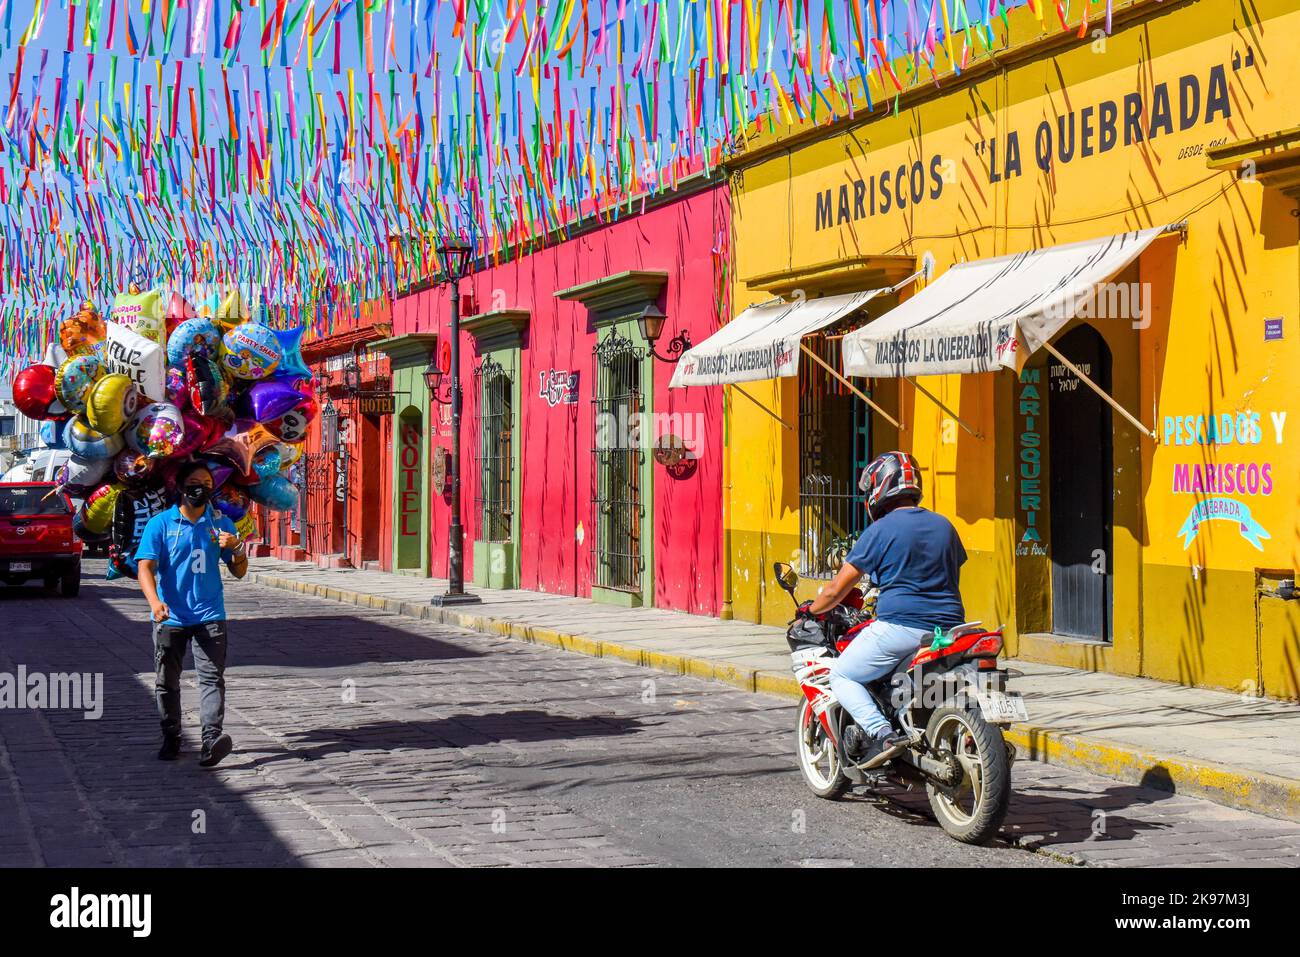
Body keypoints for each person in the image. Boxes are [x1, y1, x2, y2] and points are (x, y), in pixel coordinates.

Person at [806, 451, 967, 767]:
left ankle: (881, 734)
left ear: (880, 487)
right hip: (950, 630)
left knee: (842, 675)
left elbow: (837, 589)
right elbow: (950, 574)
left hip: (901, 628)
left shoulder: (879, 531)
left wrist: (813, 610)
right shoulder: (945, 526)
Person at [135, 460, 249, 766]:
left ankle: (211, 739)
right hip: (170, 617)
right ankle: (171, 736)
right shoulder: (161, 524)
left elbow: (239, 572)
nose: (203, 489)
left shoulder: (221, 524)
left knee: (212, 679)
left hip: (211, 615)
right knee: (166, 682)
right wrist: (154, 602)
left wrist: (237, 549)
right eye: (196, 483)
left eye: (209, 485)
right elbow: (144, 566)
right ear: (182, 488)